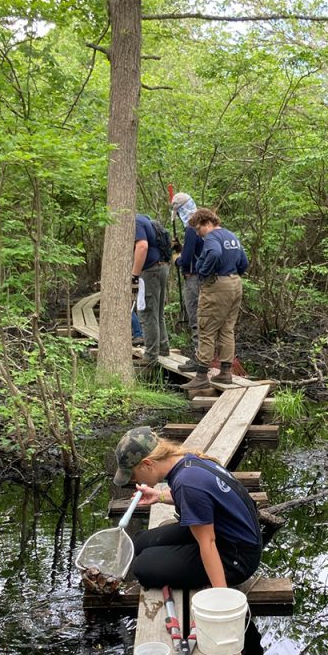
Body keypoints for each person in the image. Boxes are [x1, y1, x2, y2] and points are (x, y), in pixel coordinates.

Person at [112, 426, 262, 590]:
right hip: (224, 533)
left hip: (236, 558)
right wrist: (159, 495)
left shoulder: (187, 483)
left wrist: (221, 595)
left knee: (143, 567)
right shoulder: (185, 461)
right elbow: (201, 500)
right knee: (139, 542)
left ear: (147, 464)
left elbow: (208, 543)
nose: (134, 480)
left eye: (133, 475)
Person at [178, 208, 248, 390]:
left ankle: (201, 375)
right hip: (235, 283)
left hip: (217, 285)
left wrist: (204, 272)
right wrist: (235, 273)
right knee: (227, 328)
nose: (198, 234)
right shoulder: (231, 236)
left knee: (206, 328)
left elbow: (215, 253)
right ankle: (225, 372)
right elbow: (244, 261)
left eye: (198, 229)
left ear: (207, 223)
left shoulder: (212, 238)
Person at [132, 213, 170, 364]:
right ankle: (163, 347)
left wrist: (134, 274)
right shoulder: (147, 220)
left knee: (147, 312)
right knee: (158, 312)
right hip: (161, 268)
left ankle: (151, 354)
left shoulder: (135, 222)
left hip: (149, 272)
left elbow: (142, 246)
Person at [170, 192, 203, 348]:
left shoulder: (191, 229)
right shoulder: (204, 224)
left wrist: (177, 259)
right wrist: (181, 248)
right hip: (204, 276)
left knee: (195, 314)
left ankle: (200, 356)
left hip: (193, 277)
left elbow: (187, 259)